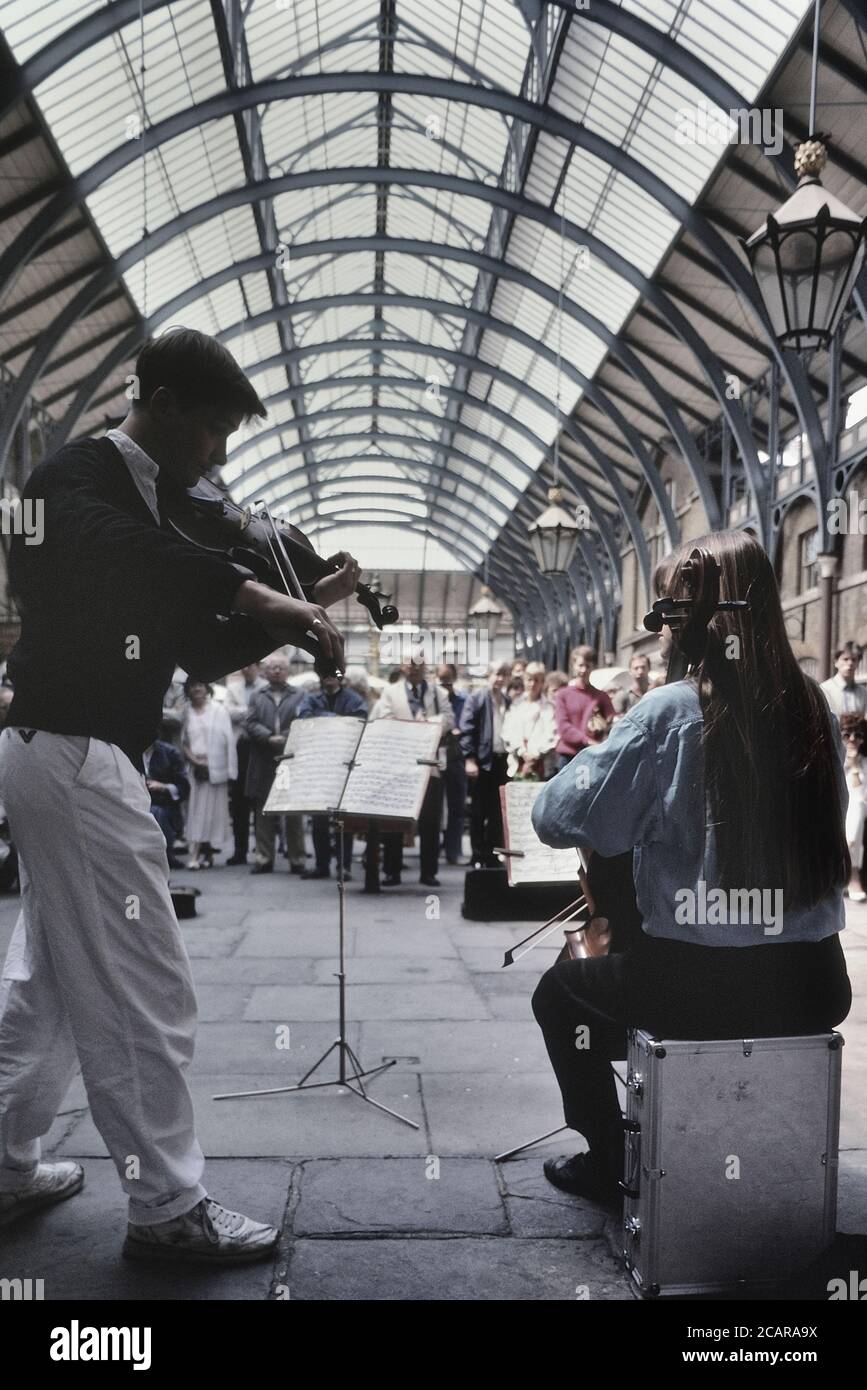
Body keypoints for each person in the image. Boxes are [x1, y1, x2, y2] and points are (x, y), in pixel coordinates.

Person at [0, 327, 355, 1261]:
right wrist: (257, 592)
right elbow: (124, 553)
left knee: (45, 983)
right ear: (158, 402)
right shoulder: (68, 483)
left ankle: (3, 1166)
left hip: (65, 754)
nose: (221, 457)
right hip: (75, 755)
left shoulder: (165, 511)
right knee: (141, 982)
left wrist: (300, 606)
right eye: (211, 432)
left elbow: (195, 647)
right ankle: (166, 1207)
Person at [530, 530, 851, 1206]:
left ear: (686, 621)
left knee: (560, 996)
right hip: (814, 982)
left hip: (696, 988)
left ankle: (609, 1158)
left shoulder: (669, 711)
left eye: (664, 614)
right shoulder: (813, 706)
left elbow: (563, 819)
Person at [368, 656, 454, 887]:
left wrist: (428, 722)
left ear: (425, 666)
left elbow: (448, 719)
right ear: (402, 666)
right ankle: (391, 871)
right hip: (398, 766)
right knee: (394, 820)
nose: (415, 667)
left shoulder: (438, 693)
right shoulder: (390, 692)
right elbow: (384, 719)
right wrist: (412, 729)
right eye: (410, 662)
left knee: (430, 822)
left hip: (429, 767)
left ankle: (428, 872)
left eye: (419, 662)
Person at [296, 661, 367, 879]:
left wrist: (325, 721)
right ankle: (321, 865)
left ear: (341, 678)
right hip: (319, 764)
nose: (330, 678)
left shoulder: (354, 699)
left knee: (342, 819)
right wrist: (336, 721)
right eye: (325, 675)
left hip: (343, 765)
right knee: (318, 819)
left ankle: (343, 866)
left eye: (334, 675)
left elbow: (360, 721)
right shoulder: (311, 698)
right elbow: (303, 720)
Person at [245, 653, 306, 875]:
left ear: (287, 671)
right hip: (264, 759)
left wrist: (286, 737)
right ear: (265, 672)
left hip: (290, 759)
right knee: (263, 810)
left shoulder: (299, 695)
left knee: (293, 810)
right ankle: (264, 858)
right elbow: (250, 722)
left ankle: (297, 857)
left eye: (281, 667)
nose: (277, 671)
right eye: (273, 668)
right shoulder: (256, 695)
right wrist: (269, 736)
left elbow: (304, 721)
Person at [459, 662, 512, 867]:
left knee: (497, 812)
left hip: (502, 761)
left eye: (504, 674)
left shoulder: (507, 701)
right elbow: (466, 729)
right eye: (497, 674)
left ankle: (493, 854)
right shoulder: (477, 698)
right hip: (483, 762)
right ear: (489, 675)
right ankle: (478, 855)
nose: (500, 678)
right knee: (478, 811)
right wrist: (470, 759)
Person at [181, 678, 236, 869]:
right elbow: (183, 741)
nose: (197, 689)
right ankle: (194, 853)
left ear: (207, 689)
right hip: (194, 768)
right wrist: (194, 760)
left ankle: (207, 853)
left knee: (212, 813)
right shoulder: (185, 712)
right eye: (194, 686)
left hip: (215, 767)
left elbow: (228, 739)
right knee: (196, 812)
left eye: (200, 686)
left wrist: (227, 768)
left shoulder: (219, 711)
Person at [223, 662, 266, 865]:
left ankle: (261, 849)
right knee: (239, 801)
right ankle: (240, 850)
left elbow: (263, 716)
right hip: (239, 747)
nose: (245, 669)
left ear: (258, 667)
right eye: (243, 667)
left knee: (258, 800)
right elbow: (227, 712)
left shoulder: (265, 687)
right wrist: (251, 712)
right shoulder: (233, 688)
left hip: (259, 747)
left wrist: (244, 713)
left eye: (249, 666)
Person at [553, 646, 615, 770]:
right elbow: (563, 727)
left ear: (593, 667)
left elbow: (612, 722)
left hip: (593, 756)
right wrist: (586, 740)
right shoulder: (563, 695)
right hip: (568, 756)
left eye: (588, 665)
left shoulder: (601, 696)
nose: (584, 669)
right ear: (573, 666)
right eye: (580, 665)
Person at [144, 718, 190, 869]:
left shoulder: (170, 753)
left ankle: (163, 856)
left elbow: (184, 787)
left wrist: (163, 787)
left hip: (164, 805)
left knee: (156, 812)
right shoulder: (128, 754)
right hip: (137, 802)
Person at [502, 661, 558, 780]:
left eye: (537, 680)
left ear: (543, 682)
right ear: (524, 680)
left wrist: (535, 754)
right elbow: (508, 732)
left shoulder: (550, 707)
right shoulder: (515, 705)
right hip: (518, 763)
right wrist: (523, 752)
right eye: (529, 680)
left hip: (542, 764)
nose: (532, 684)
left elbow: (552, 733)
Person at [437, 662, 467, 865]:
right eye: (442, 680)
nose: (445, 684)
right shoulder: (433, 698)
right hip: (437, 754)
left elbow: (466, 722)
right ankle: (436, 846)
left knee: (457, 804)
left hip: (456, 755)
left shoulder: (463, 700)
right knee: (435, 805)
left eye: (448, 680)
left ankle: (453, 850)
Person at [841, 714, 867, 903]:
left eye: (857, 735)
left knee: (857, 804)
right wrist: (847, 763)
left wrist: (856, 765)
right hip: (838, 808)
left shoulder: (864, 764)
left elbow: (862, 795)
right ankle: (853, 875)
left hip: (858, 807)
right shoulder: (834, 759)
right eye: (846, 734)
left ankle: (851, 874)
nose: (852, 739)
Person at [821, 642, 867, 722]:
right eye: (845, 659)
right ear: (836, 662)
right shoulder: (825, 689)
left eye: (854, 659)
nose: (850, 663)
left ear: (858, 663)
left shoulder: (863, 692)